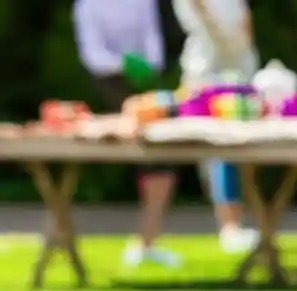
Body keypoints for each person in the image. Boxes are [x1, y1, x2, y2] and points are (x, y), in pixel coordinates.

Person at [73, 0, 180, 268]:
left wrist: (146, 68)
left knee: (161, 159)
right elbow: (93, 57)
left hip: (142, 82)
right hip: (105, 81)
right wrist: (123, 63)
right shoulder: (88, 6)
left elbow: (153, 47)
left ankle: (147, 240)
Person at [172, 0, 261, 254]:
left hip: (241, 75)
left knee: (242, 155)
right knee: (218, 153)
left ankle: (240, 223)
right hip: (205, 77)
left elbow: (243, 32)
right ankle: (230, 226)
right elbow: (218, 33)